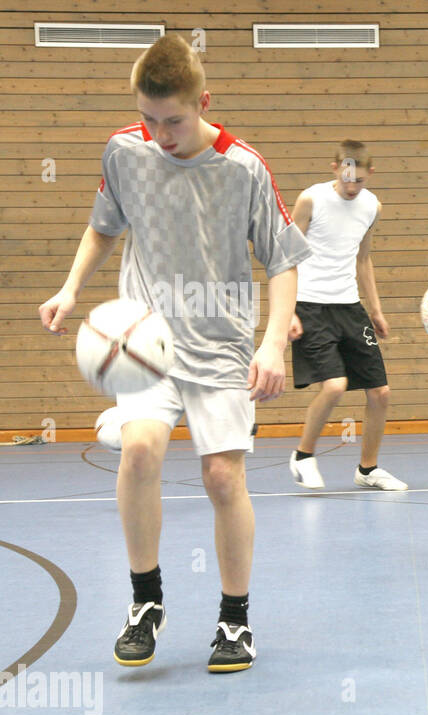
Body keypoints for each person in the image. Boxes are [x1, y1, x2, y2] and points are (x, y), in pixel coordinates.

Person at [38, 35, 310, 671]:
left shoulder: (243, 167)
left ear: (203, 102)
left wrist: (273, 341)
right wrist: (71, 287)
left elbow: (285, 260)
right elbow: (104, 225)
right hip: (147, 339)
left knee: (222, 477)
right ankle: (146, 602)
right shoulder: (124, 151)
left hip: (221, 345)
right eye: (149, 118)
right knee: (138, 451)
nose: (159, 133)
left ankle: (235, 620)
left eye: (173, 120)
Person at [287, 140, 407, 492]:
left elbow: (363, 259)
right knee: (335, 385)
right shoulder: (311, 200)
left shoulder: (372, 207)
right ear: (335, 168)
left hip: (349, 307)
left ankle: (367, 469)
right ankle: (303, 456)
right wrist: (288, 311)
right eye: (347, 179)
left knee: (380, 392)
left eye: (360, 181)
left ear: (371, 174)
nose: (353, 187)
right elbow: (285, 257)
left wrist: (376, 309)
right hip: (311, 305)